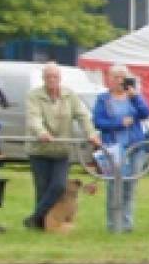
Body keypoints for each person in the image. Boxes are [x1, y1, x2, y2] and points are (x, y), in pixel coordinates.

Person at [23, 62, 99, 230]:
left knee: (58, 185)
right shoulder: (34, 96)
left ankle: (34, 218)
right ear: (43, 79)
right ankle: (42, 225)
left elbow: (82, 116)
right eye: (48, 76)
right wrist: (41, 132)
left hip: (61, 151)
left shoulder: (69, 95)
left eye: (55, 76)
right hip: (39, 150)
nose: (52, 80)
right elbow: (33, 118)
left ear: (60, 78)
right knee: (42, 188)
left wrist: (91, 133)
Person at [91, 66, 149, 234]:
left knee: (130, 186)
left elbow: (146, 113)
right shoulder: (103, 99)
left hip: (135, 147)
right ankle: (113, 224)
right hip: (114, 149)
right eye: (116, 77)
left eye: (123, 77)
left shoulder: (133, 97)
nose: (120, 81)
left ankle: (127, 224)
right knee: (114, 187)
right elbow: (98, 122)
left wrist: (136, 98)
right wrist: (119, 123)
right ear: (109, 79)